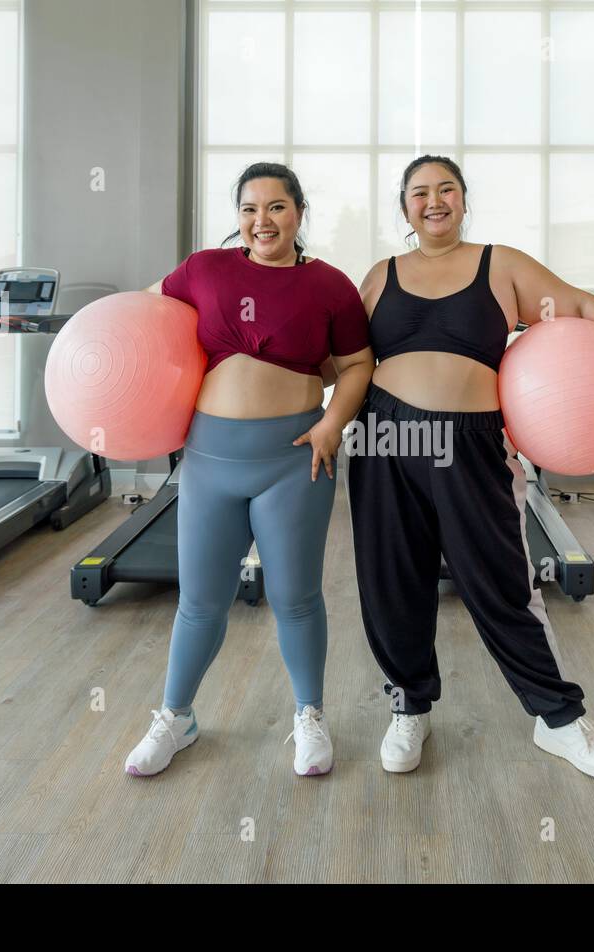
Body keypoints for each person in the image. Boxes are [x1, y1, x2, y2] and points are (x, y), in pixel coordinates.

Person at [348, 155, 594, 780]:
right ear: (404, 207)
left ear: (464, 200)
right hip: (383, 439)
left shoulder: (501, 265)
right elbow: (347, 358)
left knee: (501, 586)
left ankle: (559, 720)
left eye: (446, 190)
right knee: (391, 582)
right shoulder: (380, 274)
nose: (433, 201)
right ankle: (410, 706)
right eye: (419, 192)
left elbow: (575, 305)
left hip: (470, 443)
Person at [125, 163, 374, 778]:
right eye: (249, 208)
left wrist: (329, 425)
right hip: (210, 459)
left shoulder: (330, 285)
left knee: (295, 598)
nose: (261, 221)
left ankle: (309, 717)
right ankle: (175, 717)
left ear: (298, 213)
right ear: (237, 215)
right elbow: (142, 322)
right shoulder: (205, 268)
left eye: (277, 207)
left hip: (293, 460)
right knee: (200, 601)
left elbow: (359, 364)